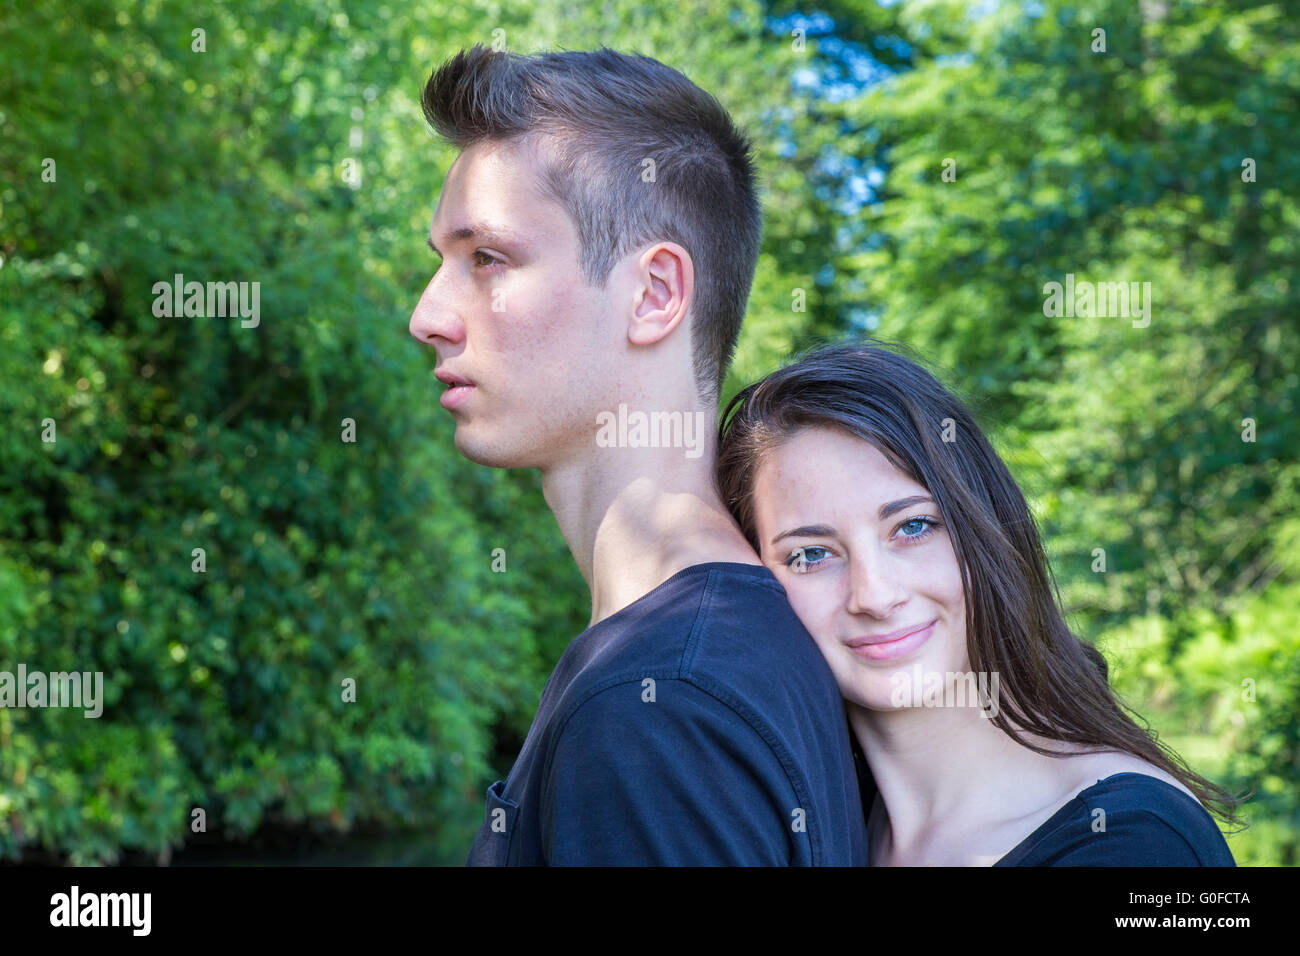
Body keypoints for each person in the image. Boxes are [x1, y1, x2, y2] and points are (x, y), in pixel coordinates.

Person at [409, 45, 868, 865]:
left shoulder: (656, 705)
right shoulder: (724, 649)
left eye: (487, 258)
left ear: (654, 295)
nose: (429, 315)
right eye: (440, 262)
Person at [715, 340, 1241, 865]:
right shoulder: (804, 828)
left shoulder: (1133, 843)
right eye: (811, 555)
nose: (874, 595)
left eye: (913, 527)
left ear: (982, 530)